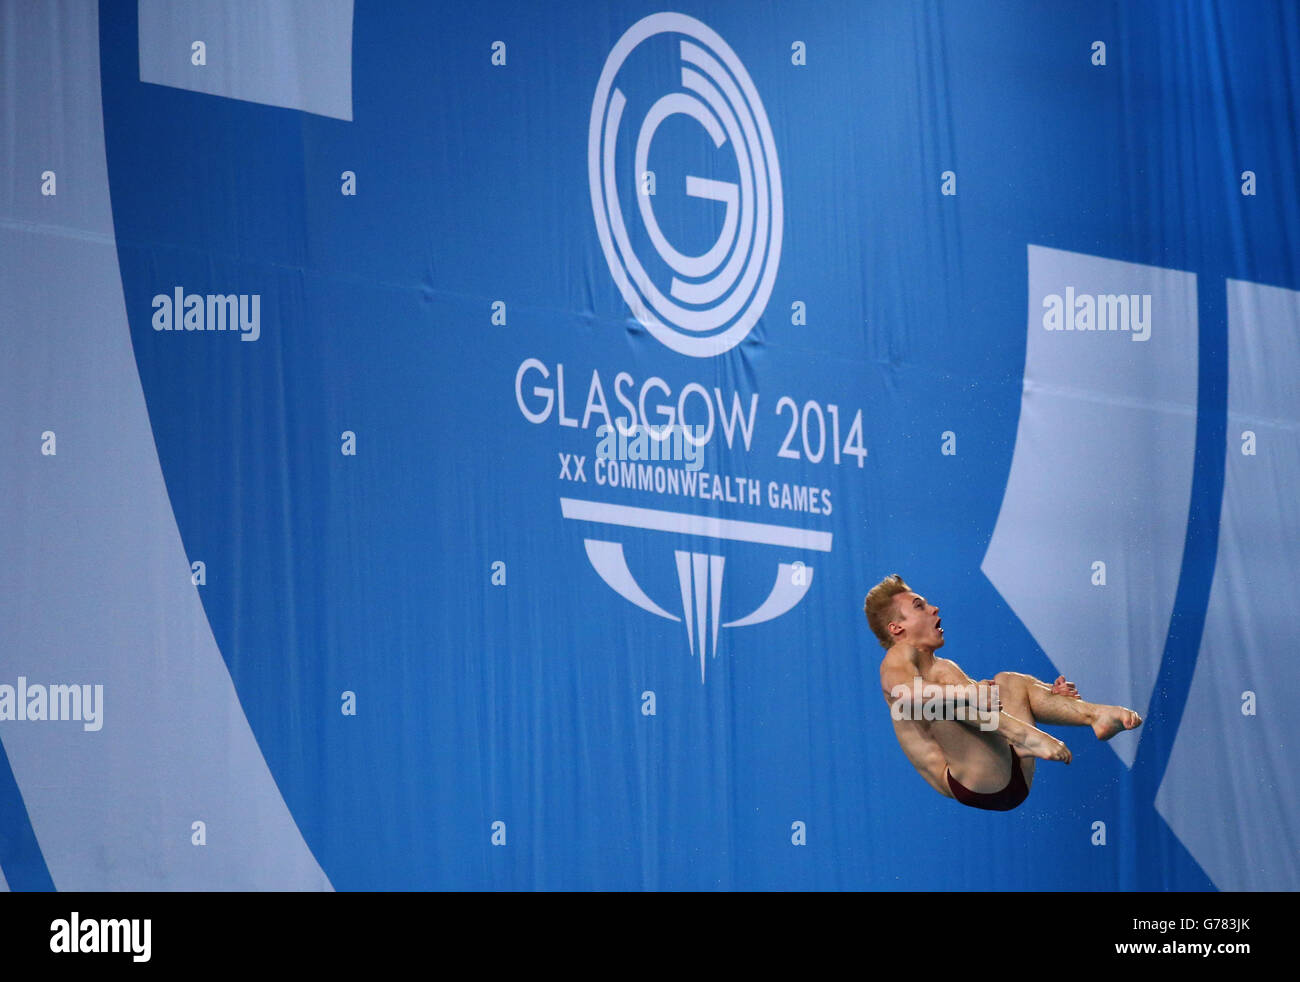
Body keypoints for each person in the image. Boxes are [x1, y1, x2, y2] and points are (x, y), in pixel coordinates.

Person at [864, 574, 1143, 811]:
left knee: (1008, 682)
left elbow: (986, 711)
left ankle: (1094, 716)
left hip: (1009, 768)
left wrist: (1049, 696)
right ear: (896, 628)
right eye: (919, 607)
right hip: (975, 782)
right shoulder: (897, 657)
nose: (934, 609)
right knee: (944, 696)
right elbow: (905, 694)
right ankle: (1025, 737)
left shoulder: (944, 667)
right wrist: (975, 698)